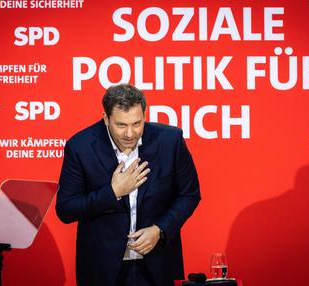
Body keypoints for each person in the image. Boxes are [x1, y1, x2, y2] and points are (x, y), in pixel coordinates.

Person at [56, 83, 201, 286]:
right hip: (103, 270)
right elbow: (66, 209)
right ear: (106, 118)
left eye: (137, 123)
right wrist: (113, 191)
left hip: (158, 265)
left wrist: (159, 229)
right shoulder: (80, 146)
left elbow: (189, 194)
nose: (130, 134)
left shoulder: (171, 141)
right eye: (121, 125)